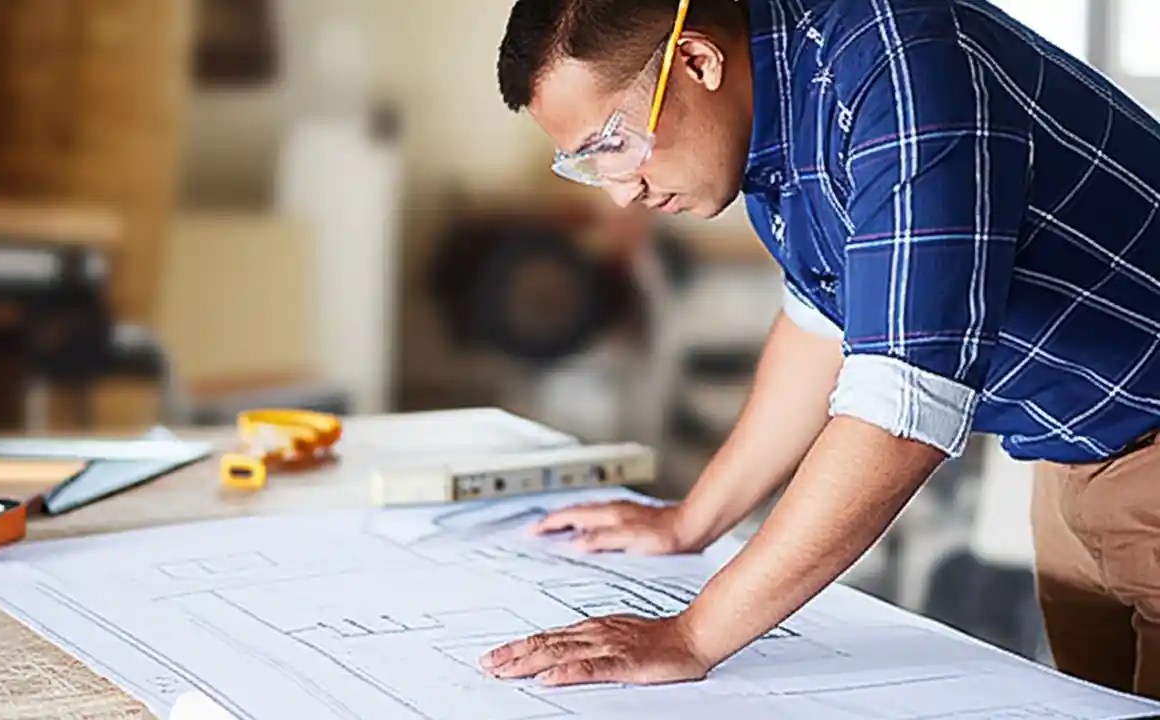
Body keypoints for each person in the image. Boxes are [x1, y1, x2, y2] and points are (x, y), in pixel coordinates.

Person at [478, 0, 1160, 699]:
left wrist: (692, 635)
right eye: (587, 165)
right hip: (1074, 455)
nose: (620, 194)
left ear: (696, 61)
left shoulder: (898, 67)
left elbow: (902, 404)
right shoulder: (785, 100)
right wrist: (692, 521)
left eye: (611, 146)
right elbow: (822, 324)